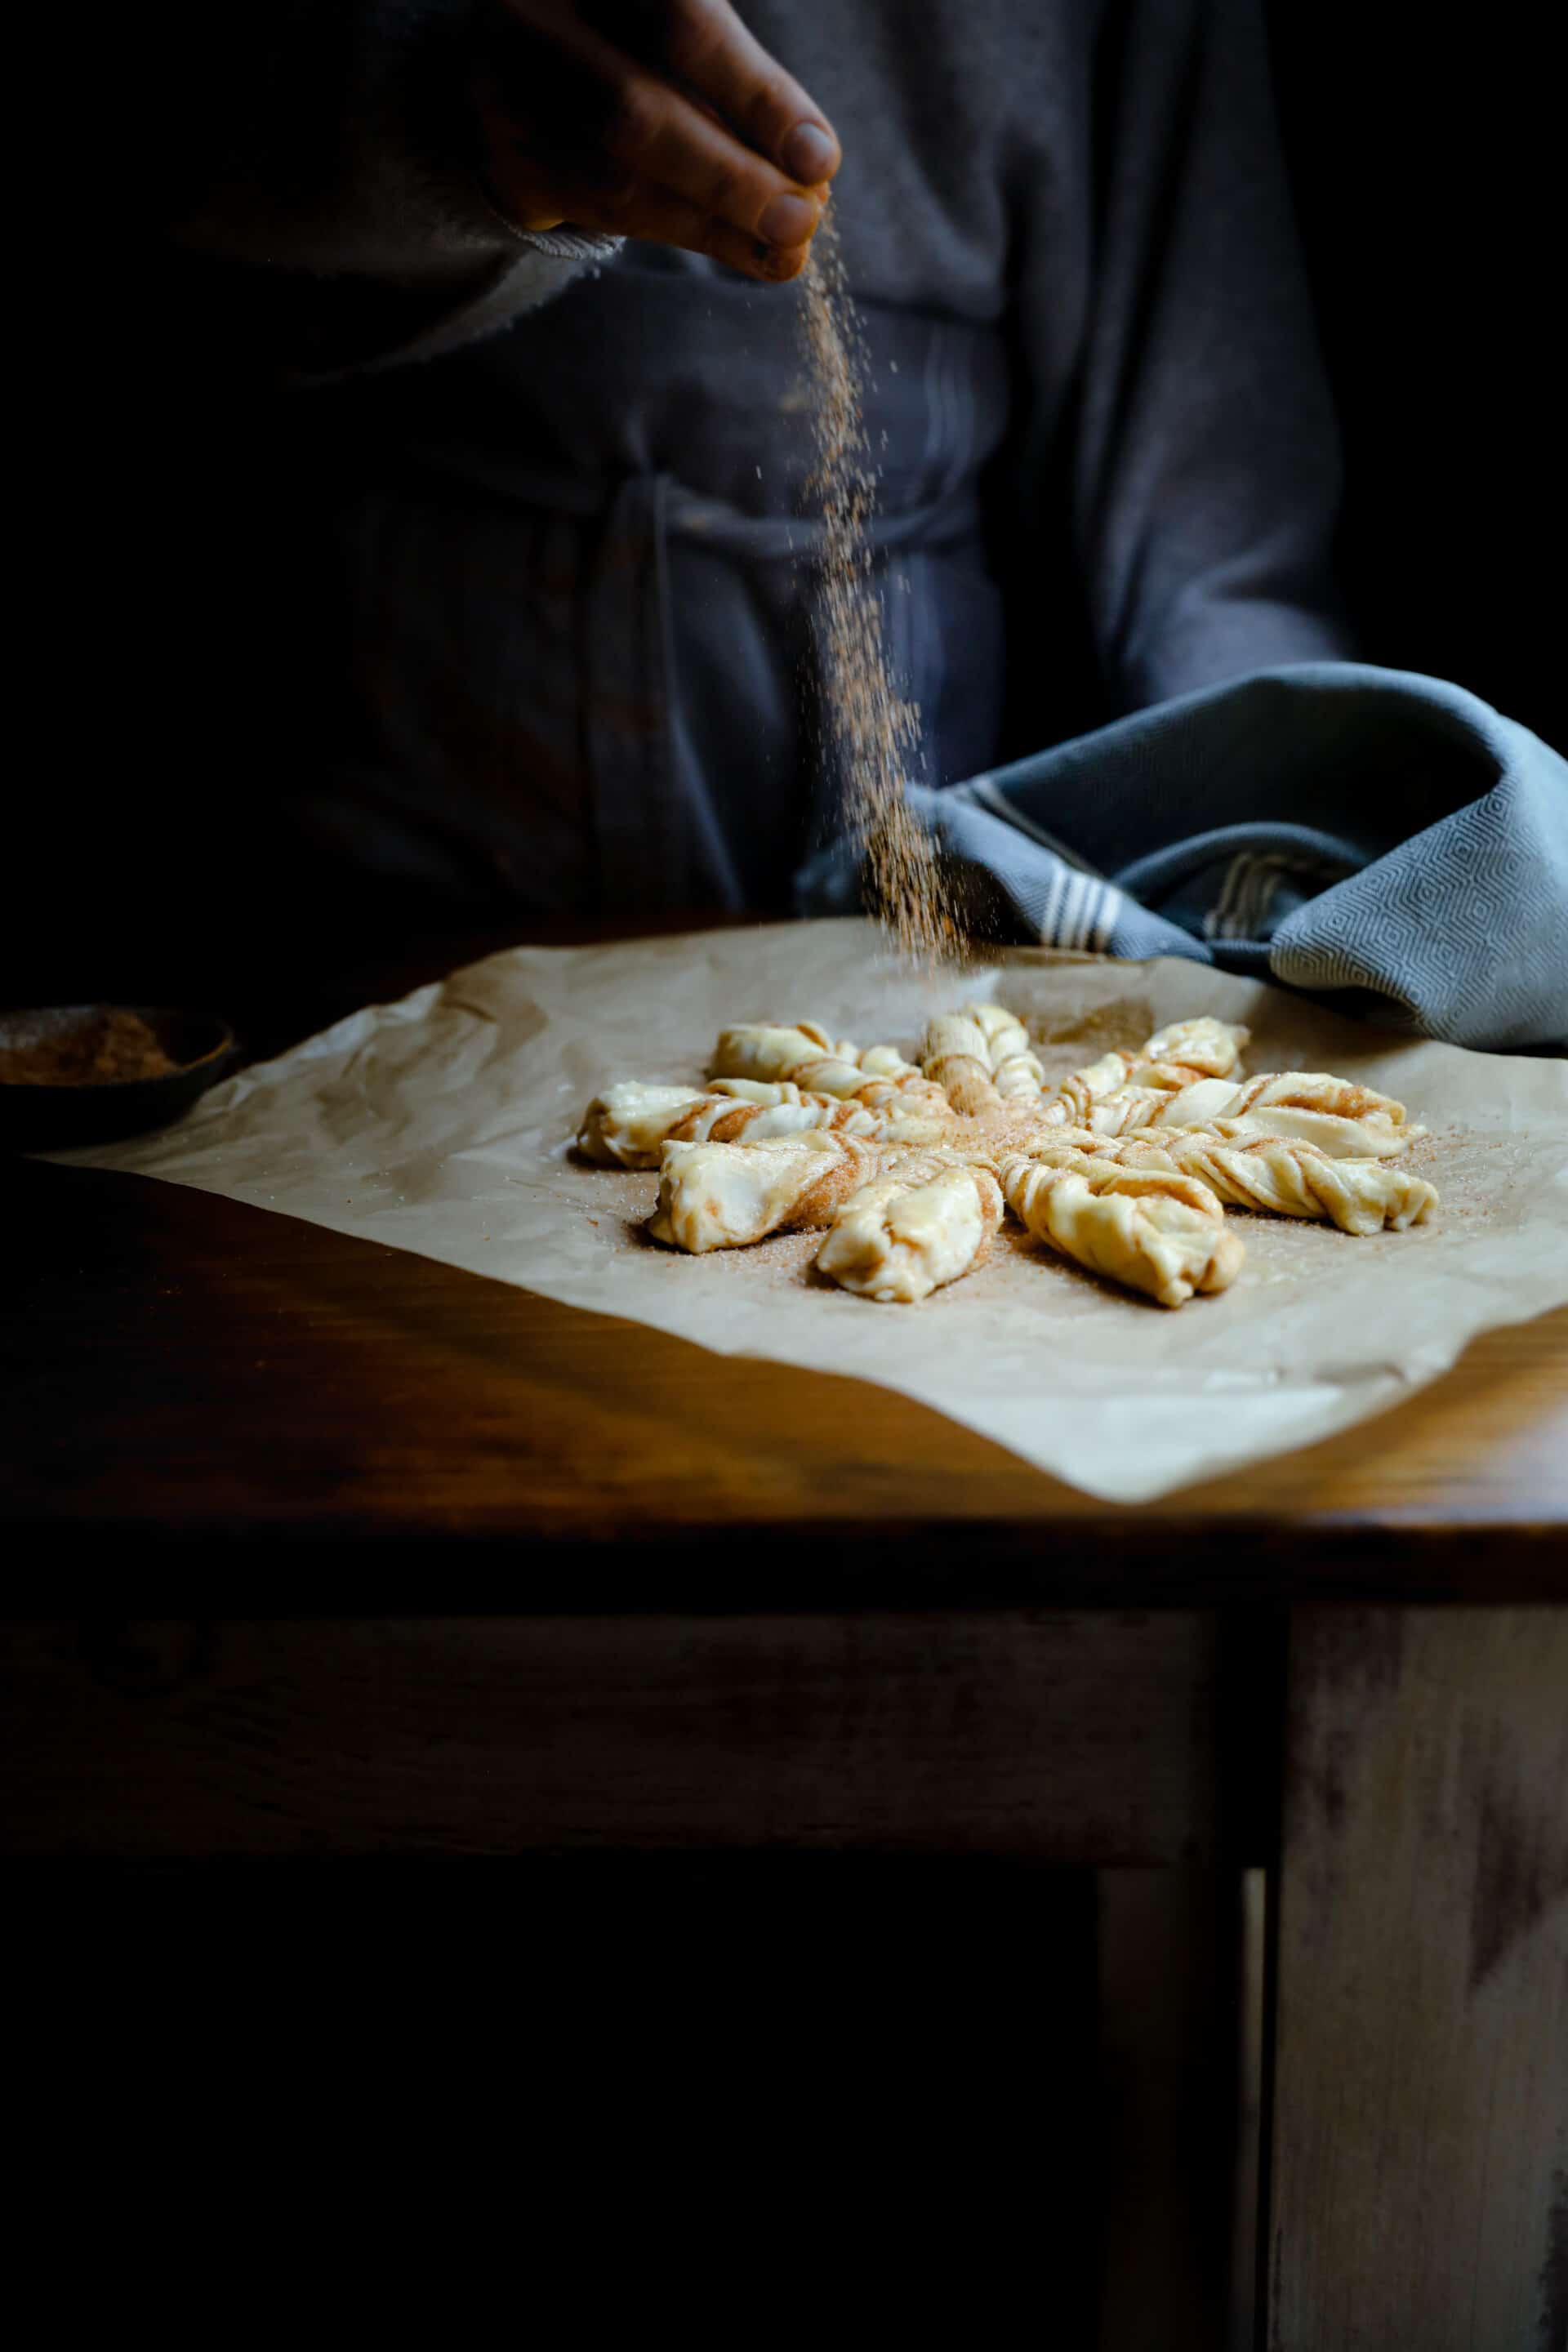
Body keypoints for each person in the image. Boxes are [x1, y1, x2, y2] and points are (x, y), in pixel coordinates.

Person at [148, 0, 1353, 936]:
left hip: (901, 846)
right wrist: (430, 125)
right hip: (388, 815)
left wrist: (1290, 886)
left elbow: (1219, 544)